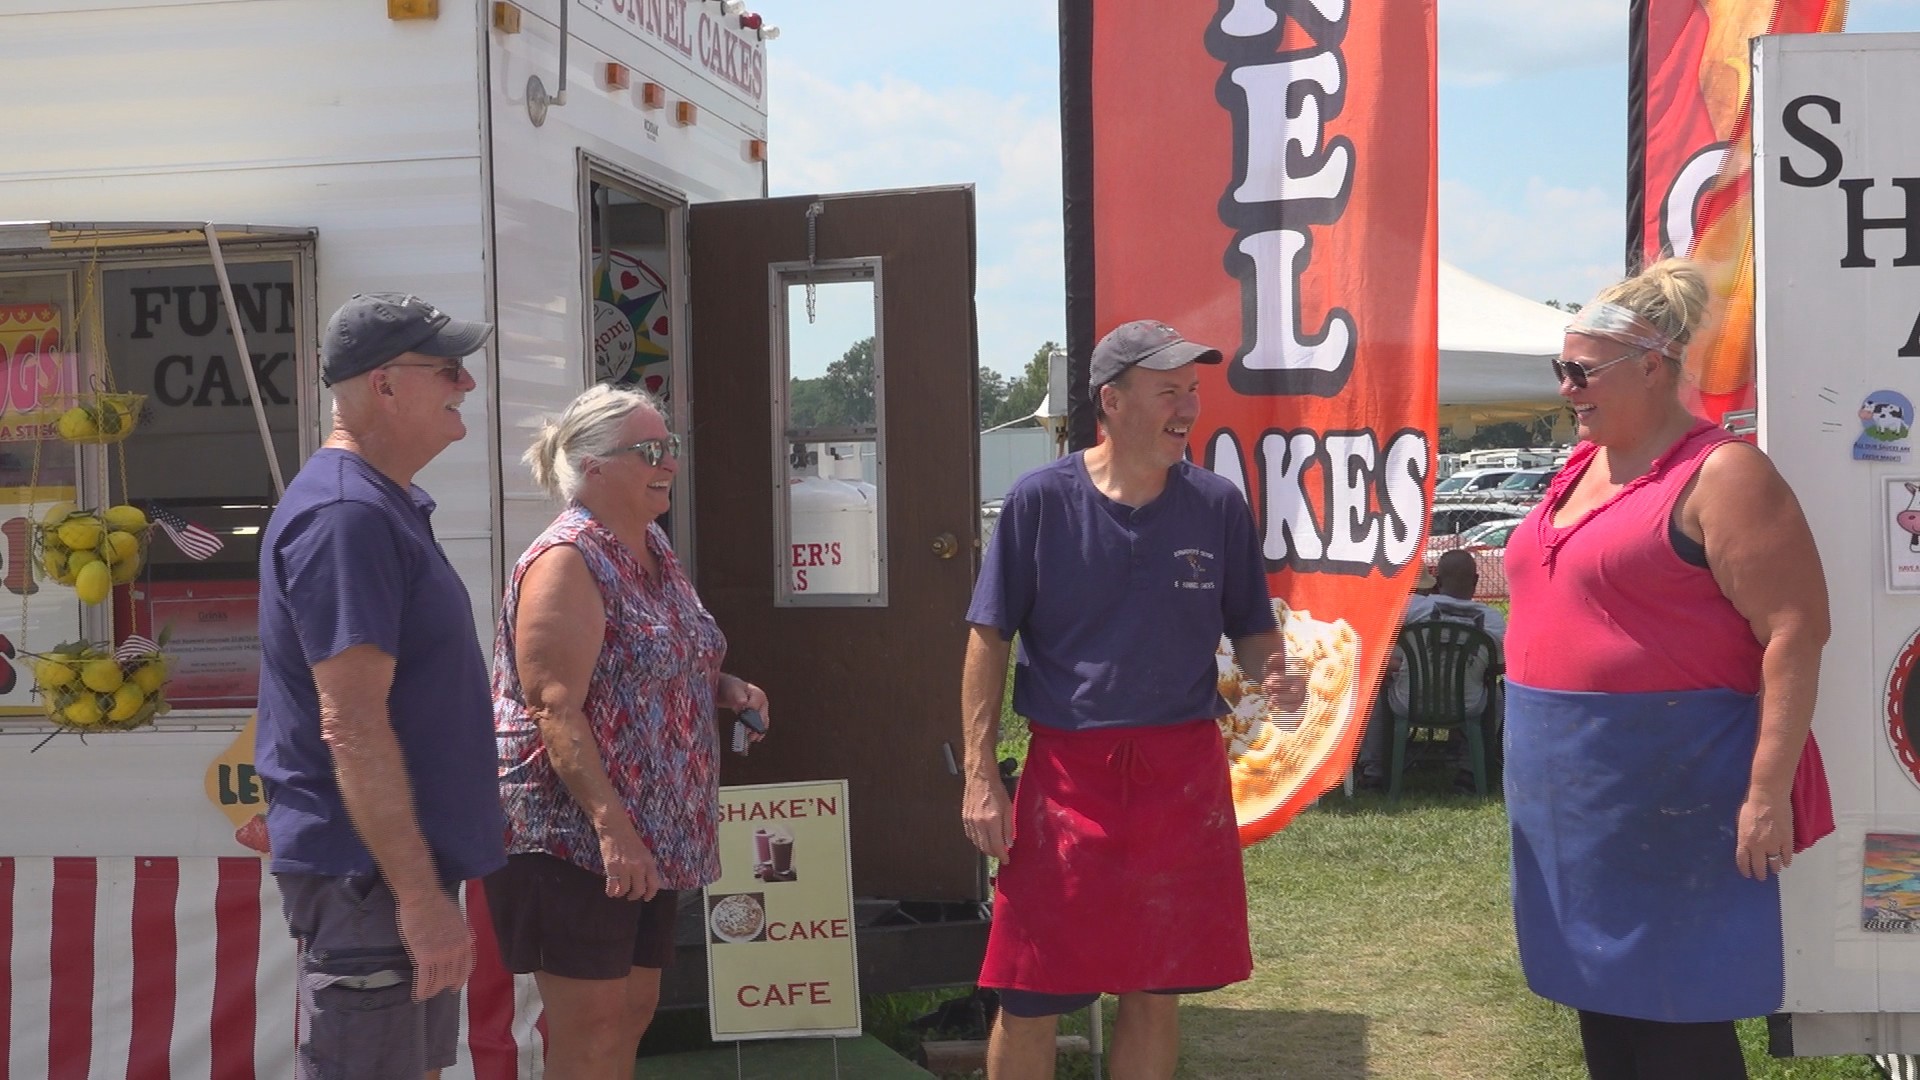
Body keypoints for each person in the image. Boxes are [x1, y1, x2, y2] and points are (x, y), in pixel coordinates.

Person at [1503, 259, 1830, 1080]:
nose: (1567, 388)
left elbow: (1795, 630)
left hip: (1679, 793)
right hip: (1578, 805)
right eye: (1561, 370)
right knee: (1608, 1020)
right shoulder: (1581, 467)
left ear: (1652, 365)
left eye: (1581, 371)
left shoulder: (1723, 475)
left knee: (1678, 1029)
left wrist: (1764, 795)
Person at [960, 319, 1303, 1080]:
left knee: (1156, 989)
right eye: (1168, 391)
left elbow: (1251, 631)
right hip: (1065, 776)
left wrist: (1273, 669)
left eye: (1193, 391)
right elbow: (988, 638)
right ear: (1110, 402)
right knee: (1031, 990)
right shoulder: (1039, 501)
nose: (1187, 407)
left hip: (1182, 776)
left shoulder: (1216, 506)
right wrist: (981, 776)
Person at [485, 384, 769, 1079]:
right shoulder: (567, 558)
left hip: (651, 836)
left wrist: (723, 688)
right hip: (576, 839)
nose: (667, 460)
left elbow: (651, 661)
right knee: (591, 1028)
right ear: (592, 465)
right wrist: (614, 830)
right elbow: (554, 706)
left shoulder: (653, 548)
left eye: (670, 446)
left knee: (633, 1013)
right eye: (648, 450)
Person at [256, 292, 503, 1080]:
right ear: (383, 385)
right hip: (372, 878)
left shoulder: (376, 505)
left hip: (391, 871)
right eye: (446, 369)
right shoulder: (345, 516)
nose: (465, 383)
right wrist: (420, 899)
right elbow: (352, 724)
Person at [1356, 549, 1506, 793]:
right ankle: (1470, 770)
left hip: (1408, 701)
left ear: (1437, 580)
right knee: (1495, 696)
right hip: (1467, 704)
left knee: (1378, 690)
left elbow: (1374, 632)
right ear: (1476, 581)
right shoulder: (1493, 620)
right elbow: (1498, 666)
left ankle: (1374, 772)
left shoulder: (1411, 608)